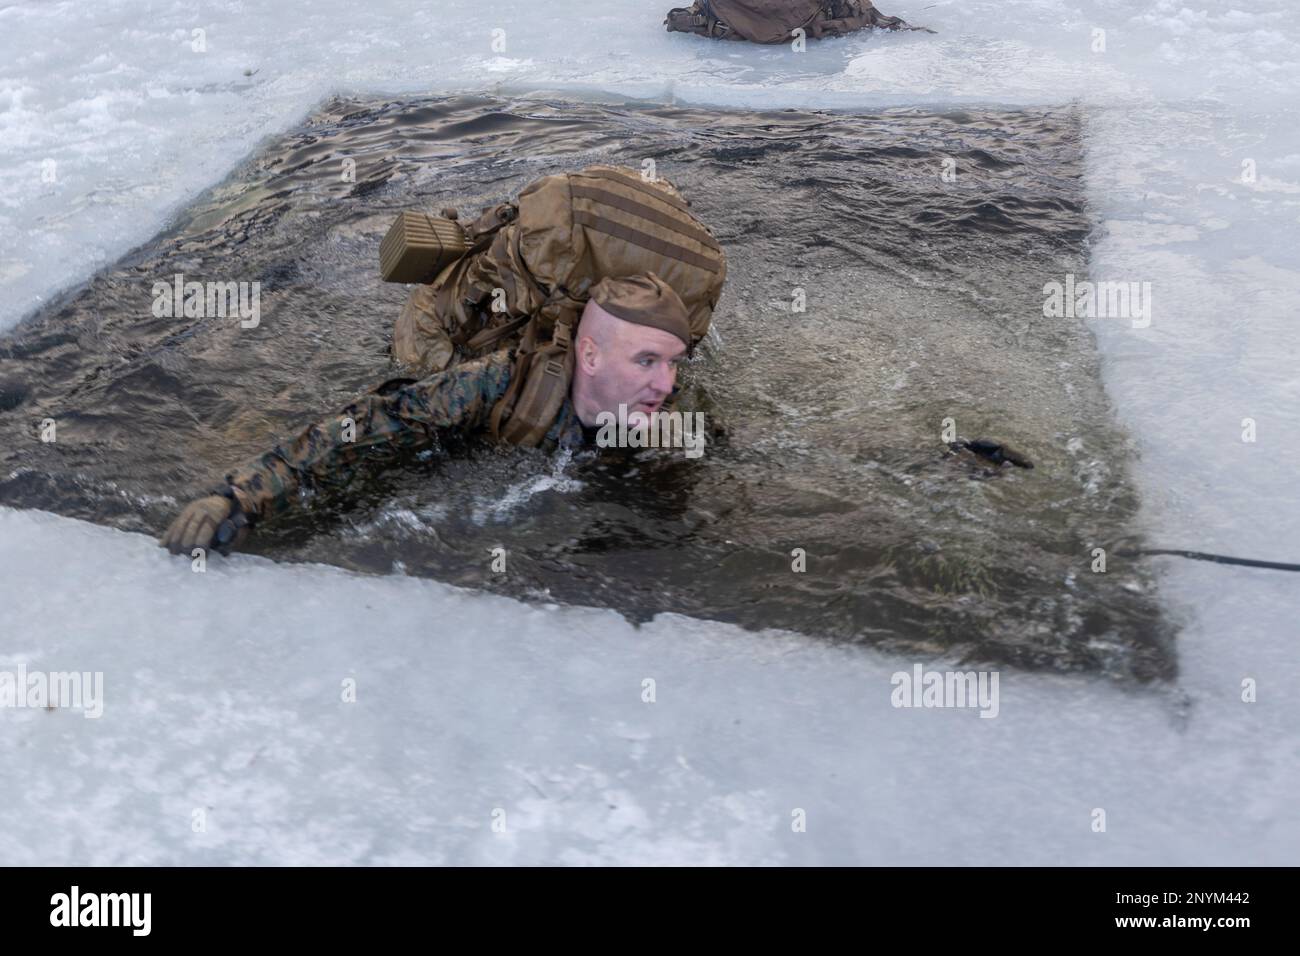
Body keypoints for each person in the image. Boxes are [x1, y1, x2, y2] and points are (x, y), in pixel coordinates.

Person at [158, 273, 693, 557]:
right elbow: (364, 428)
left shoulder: (675, 419)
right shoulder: (496, 384)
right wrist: (242, 496)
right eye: (646, 361)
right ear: (591, 356)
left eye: (673, 364)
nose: (664, 383)